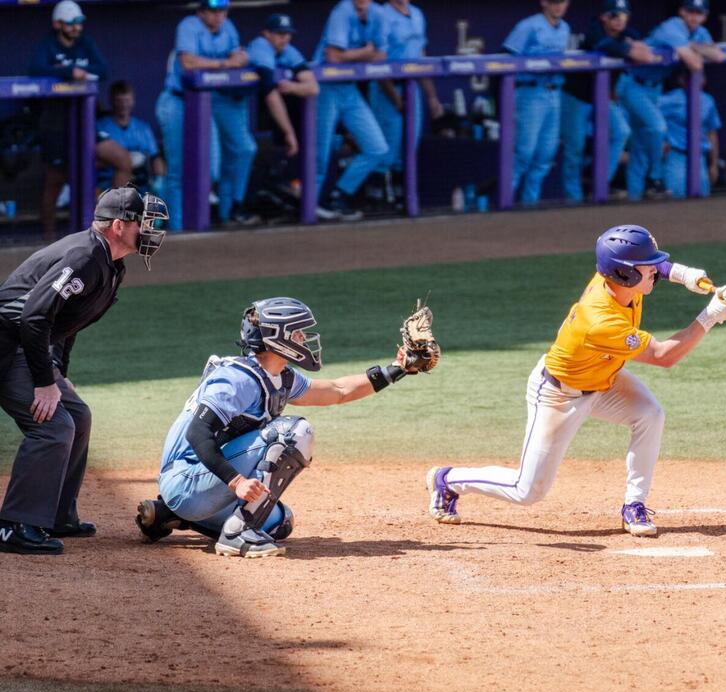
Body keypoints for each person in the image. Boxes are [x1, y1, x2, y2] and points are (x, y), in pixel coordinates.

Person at [426, 225, 726, 537]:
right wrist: (710, 316)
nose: (655, 271)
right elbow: (663, 356)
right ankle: (447, 480)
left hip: (604, 378)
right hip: (559, 395)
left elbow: (655, 265)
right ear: (626, 274)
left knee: (649, 414)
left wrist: (683, 274)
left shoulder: (618, 278)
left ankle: (635, 504)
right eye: (648, 267)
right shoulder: (600, 320)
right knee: (528, 490)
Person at [135, 297, 434, 558]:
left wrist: (398, 370)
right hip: (185, 479)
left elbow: (337, 390)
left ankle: (169, 515)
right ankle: (237, 534)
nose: (305, 338)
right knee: (292, 433)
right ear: (279, 339)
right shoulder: (238, 380)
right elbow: (197, 433)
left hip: (200, 488)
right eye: (299, 332)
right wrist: (237, 481)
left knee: (279, 523)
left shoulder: (279, 378)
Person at [0, 186, 168, 555]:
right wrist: (45, 382)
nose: (152, 231)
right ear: (120, 226)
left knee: (77, 414)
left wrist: (59, 371)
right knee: (53, 427)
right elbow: (35, 316)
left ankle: (56, 515)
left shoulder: (110, 264)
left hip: (28, 345)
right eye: (145, 222)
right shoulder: (84, 257)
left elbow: (66, 322)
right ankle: (15, 525)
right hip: (9, 347)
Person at [28, 0, 131, 243]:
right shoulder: (48, 45)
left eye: (79, 22)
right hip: (55, 122)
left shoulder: (84, 44)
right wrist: (69, 72)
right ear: (58, 24)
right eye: (71, 23)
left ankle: (111, 228)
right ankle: (49, 238)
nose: (76, 27)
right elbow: (35, 69)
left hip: (84, 122)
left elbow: (103, 69)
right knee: (54, 180)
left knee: (122, 159)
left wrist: (74, 70)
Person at [156, 0, 258, 231]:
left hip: (204, 103)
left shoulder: (228, 27)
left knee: (211, 167)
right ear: (201, 11)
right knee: (178, 169)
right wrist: (225, 63)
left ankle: (210, 216)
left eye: (222, 10)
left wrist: (236, 59)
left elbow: (240, 57)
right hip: (176, 101)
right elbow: (188, 62)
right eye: (213, 11)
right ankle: (177, 228)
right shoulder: (189, 26)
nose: (218, 16)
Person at [618, 0, 722, 200]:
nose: (694, 17)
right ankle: (655, 179)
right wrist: (696, 48)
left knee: (639, 146)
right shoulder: (672, 26)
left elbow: (717, 55)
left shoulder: (699, 32)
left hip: (654, 88)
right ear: (682, 11)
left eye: (699, 13)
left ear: (705, 16)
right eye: (690, 11)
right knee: (657, 127)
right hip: (633, 83)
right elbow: (694, 63)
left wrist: (691, 45)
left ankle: (634, 197)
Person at [560, 0, 649, 203]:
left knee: (621, 132)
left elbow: (640, 45)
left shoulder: (628, 33)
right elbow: (605, 44)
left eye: (623, 15)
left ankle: (599, 184)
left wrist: (634, 46)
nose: (619, 20)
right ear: (603, 17)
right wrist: (629, 50)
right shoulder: (594, 30)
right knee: (575, 149)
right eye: (613, 15)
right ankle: (573, 199)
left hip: (601, 98)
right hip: (576, 97)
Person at [313, 0, 391, 221]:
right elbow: (332, 57)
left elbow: (381, 55)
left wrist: (353, 54)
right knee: (320, 155)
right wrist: (366, 51)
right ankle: (311, 207)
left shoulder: (378, 14)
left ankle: (339, 195)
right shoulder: (341, 12)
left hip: (349, 89)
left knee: (377, 148)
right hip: (325, 86)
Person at [368, 0, 443, 208]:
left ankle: (403, 199)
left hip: (413, 87)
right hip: (387, 87)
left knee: (410, 146)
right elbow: (377, 60)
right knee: (385, 149)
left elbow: (422, 56)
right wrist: (395, 99)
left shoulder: (417, 14)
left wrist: (431, 96)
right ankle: (375, 200)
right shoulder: (381, 14)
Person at [503, 0, 571, 205]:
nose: (559, 6)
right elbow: (506, 58)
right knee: (524, 152)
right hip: (530, 92)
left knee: (545, 154)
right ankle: (504, 203)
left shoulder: (565, 28)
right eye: (554, 2)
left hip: (554, 93)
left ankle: (529, 206)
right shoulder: (528, 26)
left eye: (562, 2)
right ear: (544, 2)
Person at [247, 13, 319, 160]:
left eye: (288, 34)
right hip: (237, 102)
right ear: (266, 34)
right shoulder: (260, 46)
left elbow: (314, 88)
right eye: (279, 33)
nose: (285, 38)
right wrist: (289, 132)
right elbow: (269, 92)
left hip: (258, 106)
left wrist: (292, 87)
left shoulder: (287, 50)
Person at [96, 81, 166, 195]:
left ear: (133, 101)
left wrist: (159, 179)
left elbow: (155, 157)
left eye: (127, 100)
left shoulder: (142, 128)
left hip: (139, 184)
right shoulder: (100, 126)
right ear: (111, 101)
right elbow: (91, 161)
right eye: (119, 100)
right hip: (107, 184)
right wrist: (123, 160)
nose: (123, 105)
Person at [660, 72, 721, 198]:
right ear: (681, 80)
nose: (697, 80)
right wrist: (662, 140)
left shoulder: (708, 100)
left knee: (702, 202)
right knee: (676, 200)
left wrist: (713, 164)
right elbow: (651, 122)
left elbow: (712, 133)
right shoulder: (668, 99)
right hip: (676, 156)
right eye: (690, 77)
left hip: (700, 158)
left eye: (701, 76)